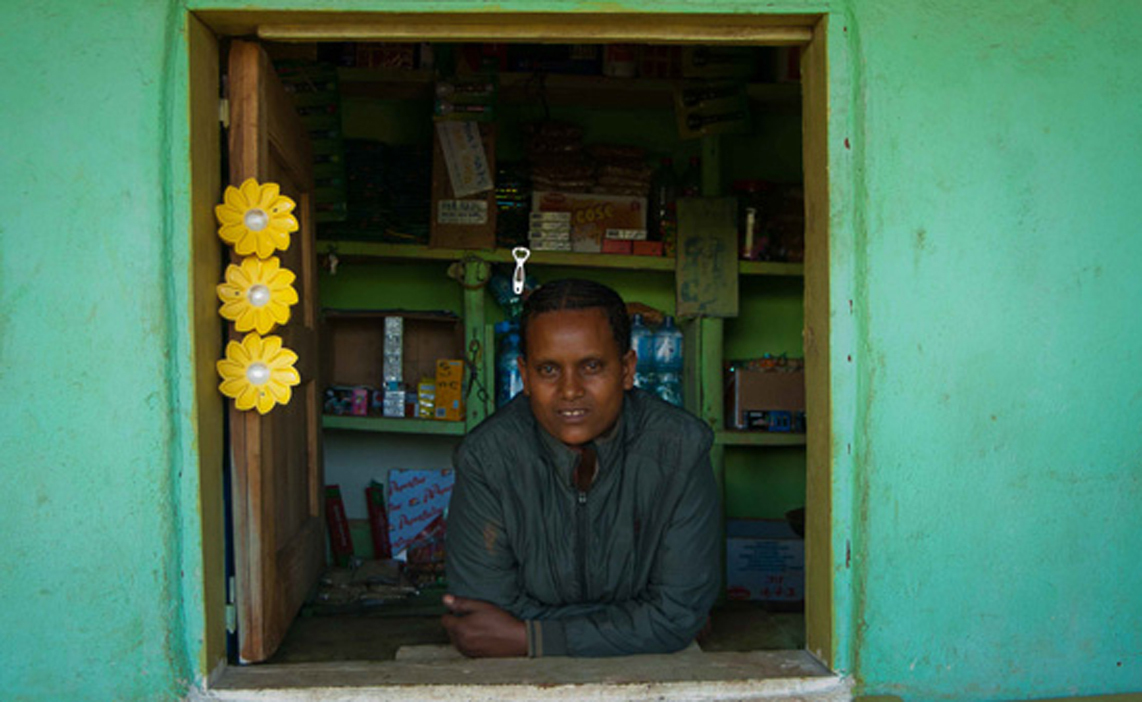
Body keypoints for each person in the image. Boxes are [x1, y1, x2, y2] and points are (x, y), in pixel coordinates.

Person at [442, 278, 719, 658]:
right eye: (548, 370)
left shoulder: (680, 450)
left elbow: (676, 615)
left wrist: (531, 638)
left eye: (591, 366)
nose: (570, 390)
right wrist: (649, 625)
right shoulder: (487, 458)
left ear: (626, 369)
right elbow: (481, 618)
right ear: (524, 375)